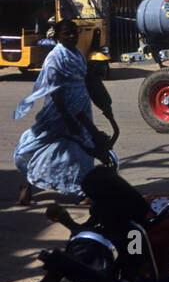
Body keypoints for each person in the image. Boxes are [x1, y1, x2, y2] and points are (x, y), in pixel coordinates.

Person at [13, 20, 118, 206]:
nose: (72, 36)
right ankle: (78, 191)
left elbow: (86, 80)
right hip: (60, 113)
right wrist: (68, 118)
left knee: (72, 150)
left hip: (81, 108)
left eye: (74, 33)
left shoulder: (77, 54)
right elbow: (55, 93)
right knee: (63, 147)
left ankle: (37, 186)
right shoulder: (54, 58)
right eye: (67, 33)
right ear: (57, 37)